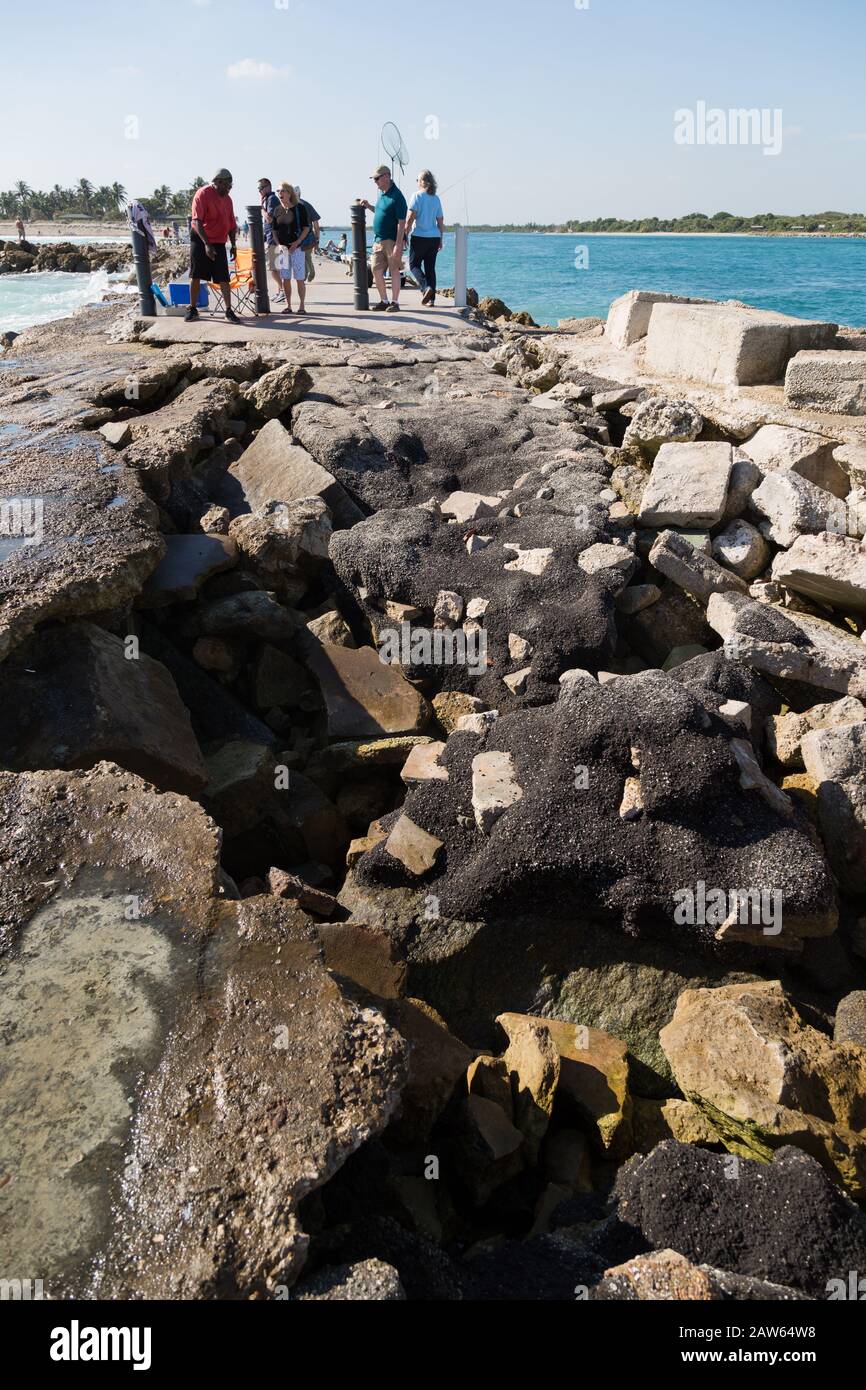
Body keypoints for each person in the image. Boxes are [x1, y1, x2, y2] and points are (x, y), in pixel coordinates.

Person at [187, 168, 240, 323]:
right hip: (200, 238)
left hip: (219, 241)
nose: (229, 189)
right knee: (196, 275)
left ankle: (229, 311)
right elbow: (197, 221)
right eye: (227, 186)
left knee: (224, 277)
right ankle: (192, 309)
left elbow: (231, 225)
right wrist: (207, 245)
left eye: (231, 186)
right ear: (218, 182)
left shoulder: (228, 199)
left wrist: (234, 245)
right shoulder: (203, 194)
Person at [358, 164, 407, 312]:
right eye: (374, 179)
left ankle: (395, 302)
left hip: (392, 240)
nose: (375, 182)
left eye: (377, 179)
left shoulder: (397, 196)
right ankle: (384, 301)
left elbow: (401, 223)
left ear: (386, 176)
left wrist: (398, 245)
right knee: (375, 268)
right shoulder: (381, 194)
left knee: (394, 270)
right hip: (378, 240)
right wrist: (369, 206)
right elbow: (381, 212)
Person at [405, 170, 445, 307]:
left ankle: (425, 287)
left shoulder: (416, 196)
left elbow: (410, 217)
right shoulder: (436, 198)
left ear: (422, 181)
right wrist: (441, 239)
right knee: (430, 268)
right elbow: (440, 220)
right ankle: (432, 300)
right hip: (434, 237)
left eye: (417, 180)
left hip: (419, 236)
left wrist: (405, 233)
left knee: (414, 265)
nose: (416, 182)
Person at [273, 182, 312, 315]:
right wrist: (279, 245)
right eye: (278, 191)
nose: (280, 193)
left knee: (299, 278)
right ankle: (288, 305)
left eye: (283, 191)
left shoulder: (299, 208)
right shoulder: (277, 210)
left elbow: (307, 227)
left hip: (298, 249)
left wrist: (297, 242)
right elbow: (274, 230)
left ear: (289, 193)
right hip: (283, 250)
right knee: (285, 279)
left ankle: (301, 306)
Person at [258, 177, 284, 303]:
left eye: (261, 188)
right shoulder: (269, 199)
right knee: (277, 268)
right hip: (272, 238)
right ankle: (280, 292)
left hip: (274, 239)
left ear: (268, 187)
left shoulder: (272, 199)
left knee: (273, 269)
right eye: (258, 189)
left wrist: (261, 208)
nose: (259, 191)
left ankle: (283, 291)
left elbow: (269, 219)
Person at [294, 187, 321, 282]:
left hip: (300, 237)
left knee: (304, 257)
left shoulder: (290, 206)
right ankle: (307, 275)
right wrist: (317, 238)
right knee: (306, 257)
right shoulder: (307, 204)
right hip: (308, 236)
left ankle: (309, 274)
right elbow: (316, 223)